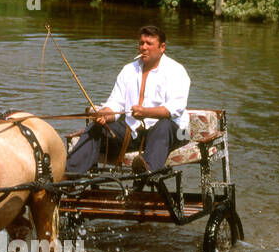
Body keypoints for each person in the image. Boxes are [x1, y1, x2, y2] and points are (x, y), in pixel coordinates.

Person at [67, 25, 190, 174]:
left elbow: (174, 108)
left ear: (162, 47)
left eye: (149, 44)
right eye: (141, 43)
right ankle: (68, 177)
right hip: (134, 132)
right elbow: (116, 102)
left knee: (163, 126)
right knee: (96, 127)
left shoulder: (176, 71)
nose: (143, 47)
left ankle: (147, 172)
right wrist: (105, 114)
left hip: (174, 133)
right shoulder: (128, 70)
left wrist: (146, 112)